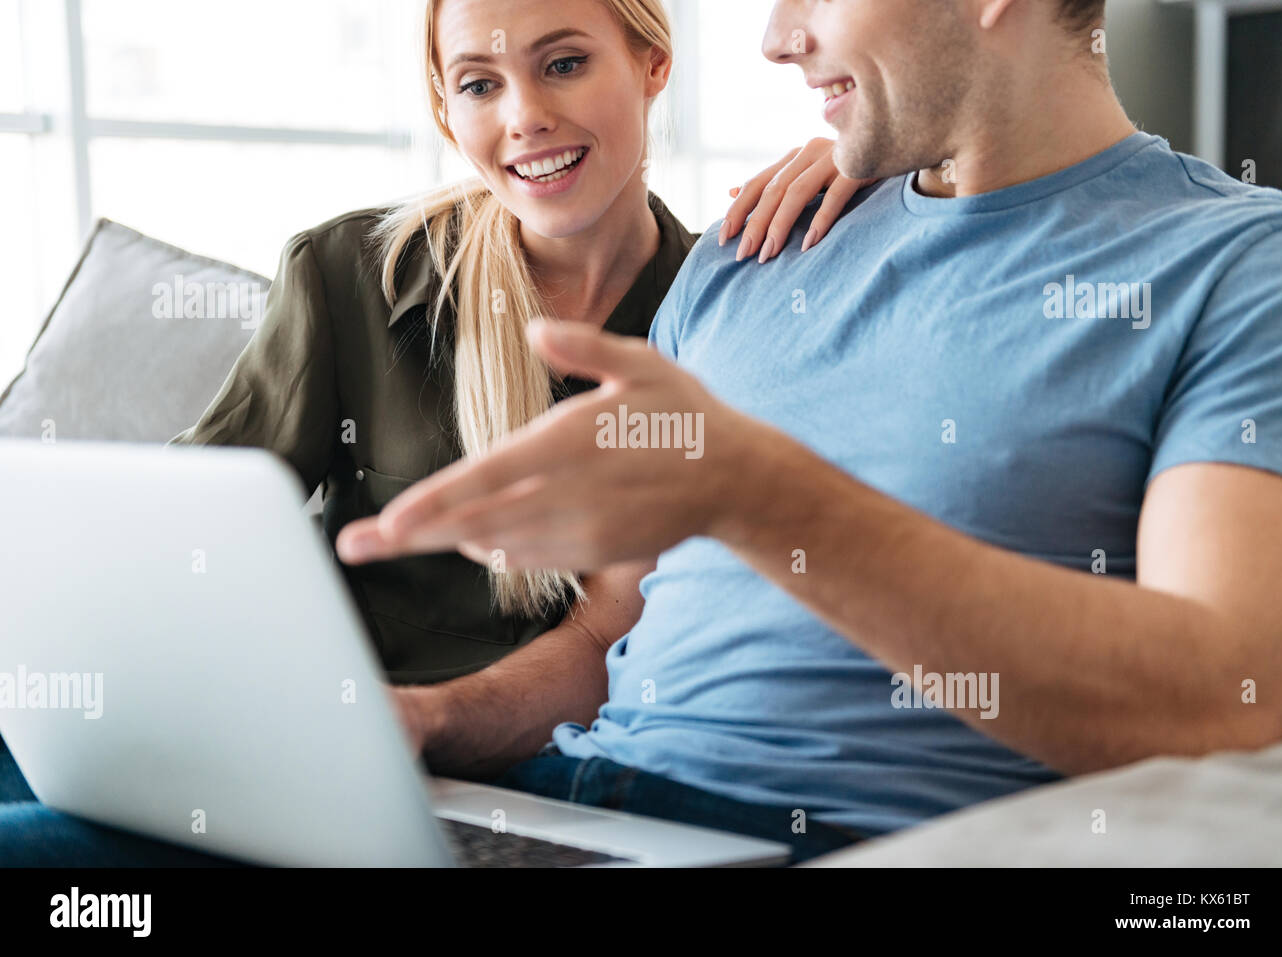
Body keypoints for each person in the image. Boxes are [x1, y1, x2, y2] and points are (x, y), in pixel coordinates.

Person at [337, 0, 1282, 859]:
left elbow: (1226, 695)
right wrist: (433, 719)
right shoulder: (753, 250)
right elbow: (608, 634)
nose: (775, 38)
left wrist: (761, 495)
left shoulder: (1242, 265)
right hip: (565, 818)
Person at [0, 0, 870, 864]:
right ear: (445, 110)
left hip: (499, 794)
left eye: (563, 64)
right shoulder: (349, 277)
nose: (524, 116)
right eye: (479, 84)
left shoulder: (729, 326)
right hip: (283, 753)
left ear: (653, 65)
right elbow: (168, 533)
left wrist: (867, 162)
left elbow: (615, 639)